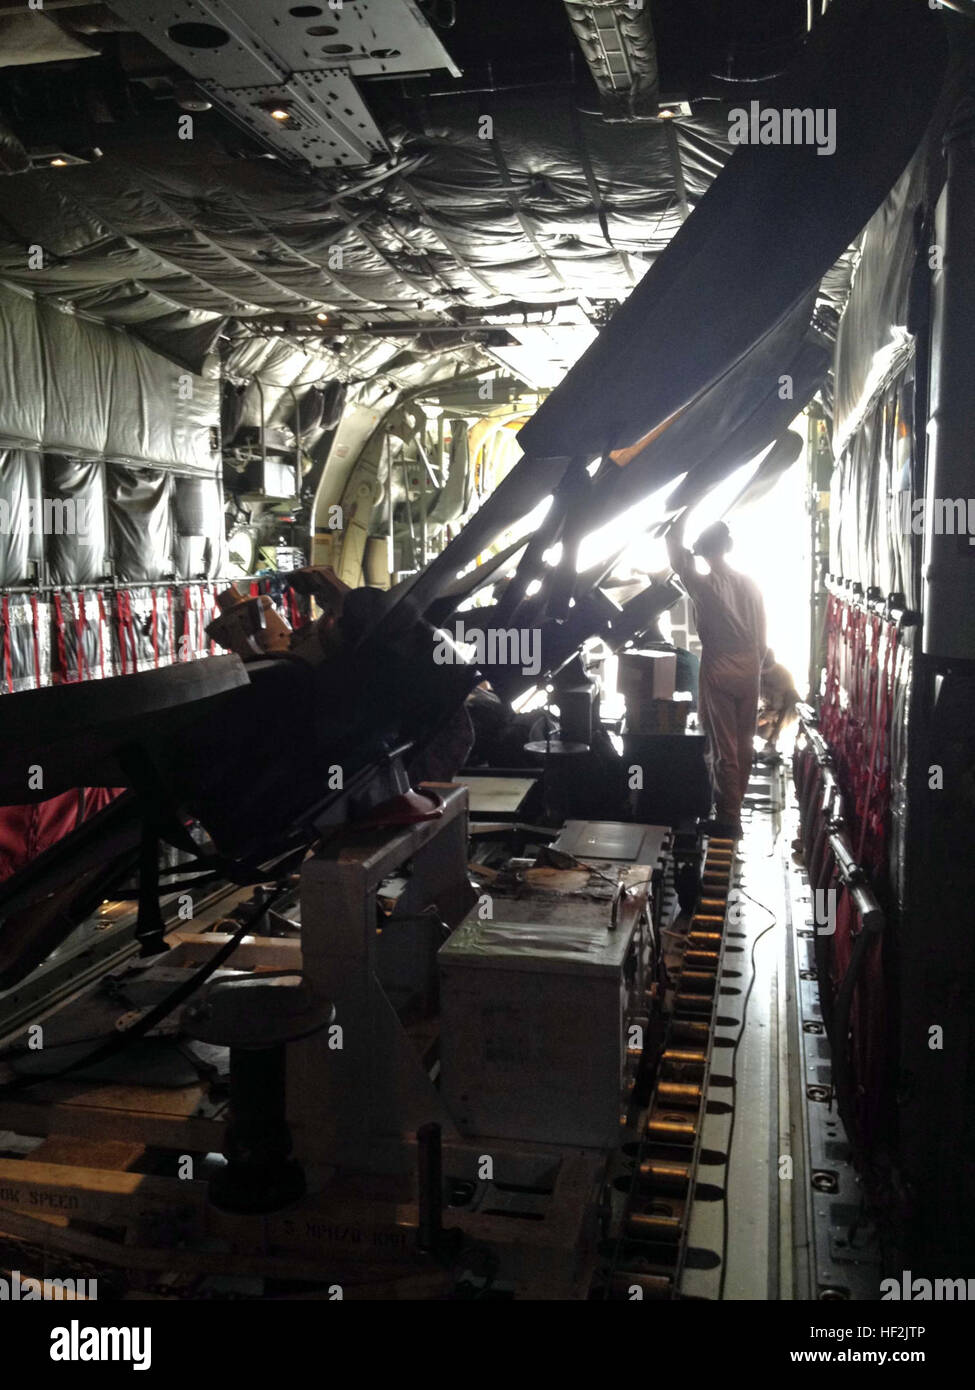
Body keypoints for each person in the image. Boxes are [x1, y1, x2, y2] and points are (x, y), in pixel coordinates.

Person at [666, 515, 767, 838]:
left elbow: (675, 552)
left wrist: (683, 514)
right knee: (744, 743)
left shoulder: (704, 585)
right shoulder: (749, 583)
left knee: (724, 746)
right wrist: (754, 665)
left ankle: (728, 818)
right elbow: (762, 635)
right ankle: (733, 809)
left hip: (719, 667)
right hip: (750, 667)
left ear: (704, 550)